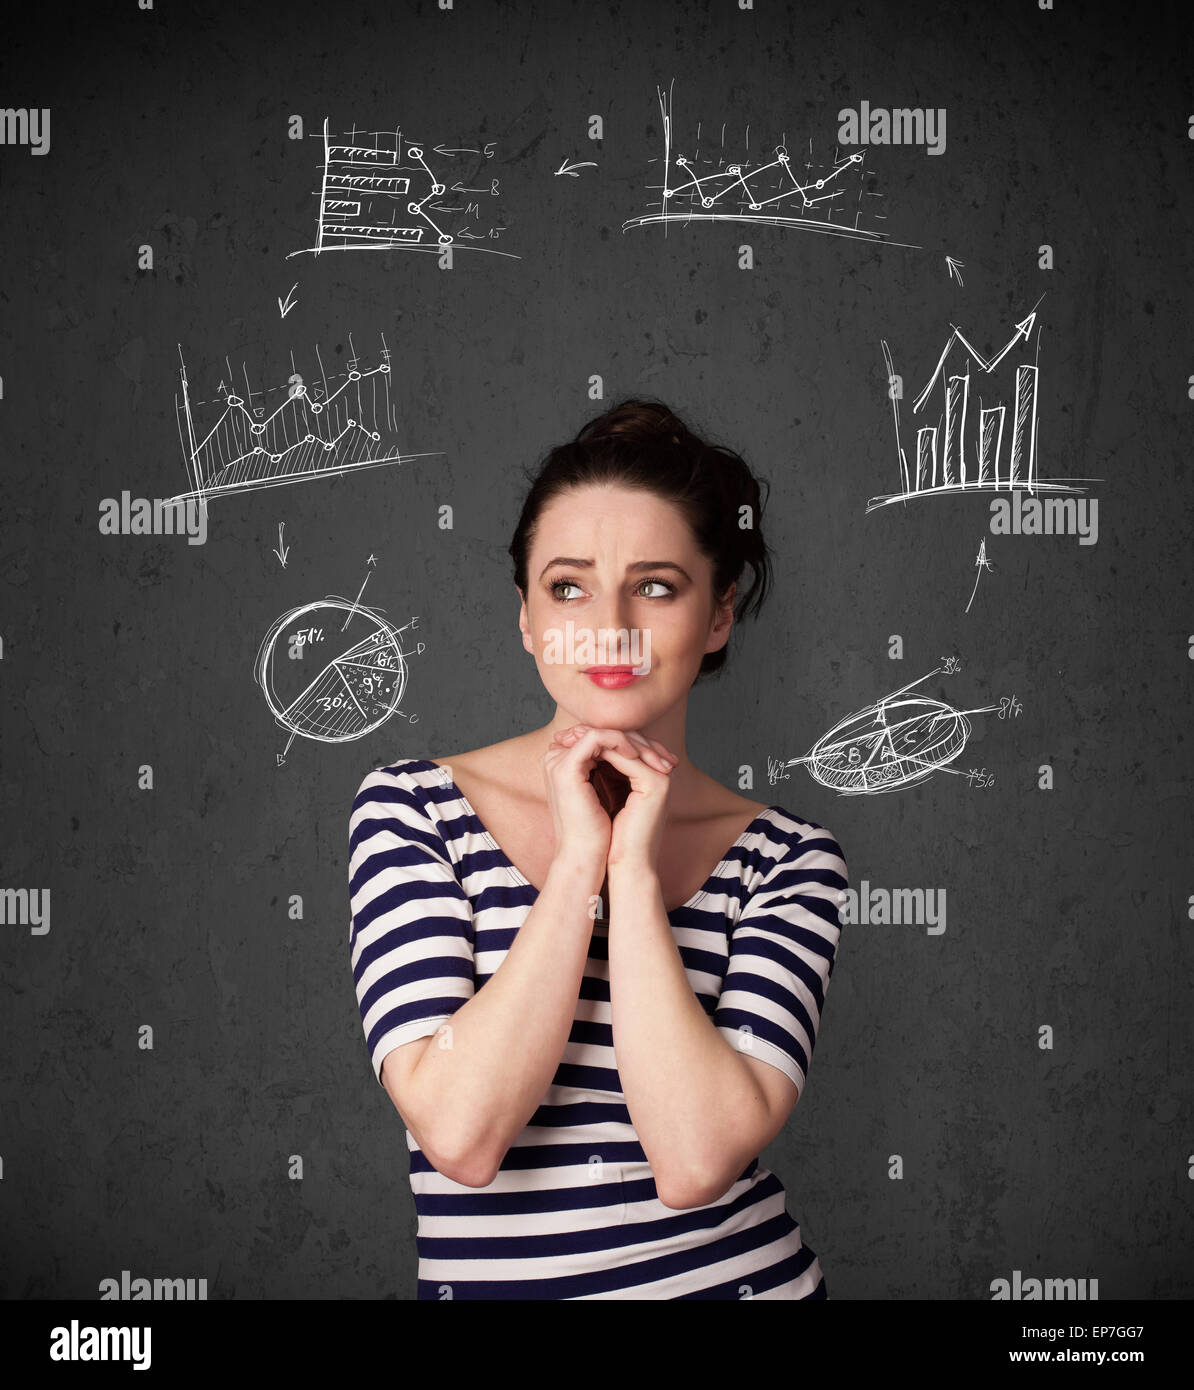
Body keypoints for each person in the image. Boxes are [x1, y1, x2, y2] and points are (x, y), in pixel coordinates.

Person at [348, 398, 848, 1299]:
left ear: (721, 613)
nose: (607, 626)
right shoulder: (413, 809)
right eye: (568, 587)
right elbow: (462, 1136)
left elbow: (694, 1163)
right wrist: (579, 861)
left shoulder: (788, 860)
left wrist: (630, 865)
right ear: (527, 616)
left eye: (656, 586)